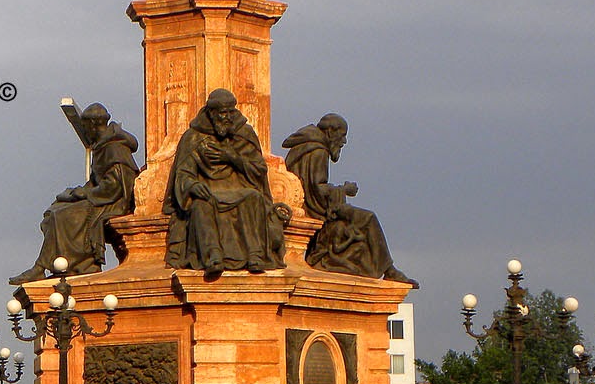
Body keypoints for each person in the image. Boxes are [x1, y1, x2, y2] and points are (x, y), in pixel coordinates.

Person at [10, 104, 139, 284]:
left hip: (112, 202)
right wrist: (76, 192)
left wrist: (85, 194)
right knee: (54, 210)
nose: (85, 131)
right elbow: (96, 181)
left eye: (86, 126)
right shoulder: (102, 146)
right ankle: (66, 264)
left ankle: (49, 267)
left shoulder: (114, 148)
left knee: (64, 216)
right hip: (101, 196)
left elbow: (114, 186)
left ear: (94, 124)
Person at [281, 113, 416, 285]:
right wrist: (344, 190)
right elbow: (317, 188)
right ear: (330, 132)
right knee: (368, 218)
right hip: (315, 209)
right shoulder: (318, 151)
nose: (343, 141)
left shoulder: (306, 146)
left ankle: (387, 269)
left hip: (311, 204)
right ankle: (389, 270)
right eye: (342, 135)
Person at [164, 88, 287, 274]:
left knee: (253, 197)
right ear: (212, 113)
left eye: (231, 112)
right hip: (209, 191)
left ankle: (255, 255)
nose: (228, 117)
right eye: (223, 113)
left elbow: (259, 170)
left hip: (239, 189)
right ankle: (213, 256)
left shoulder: (243, 133)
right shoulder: (194, 137)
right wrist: (193, 185)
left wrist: (232, 157)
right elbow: (183, 174)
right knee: (200, 205)